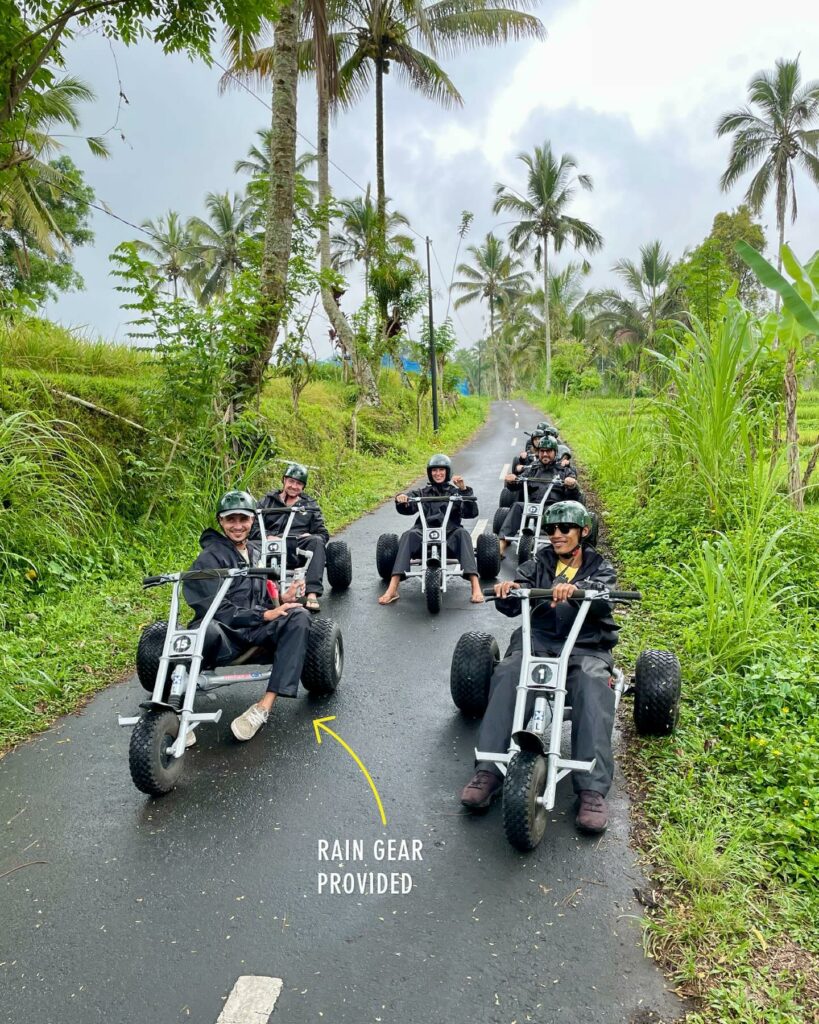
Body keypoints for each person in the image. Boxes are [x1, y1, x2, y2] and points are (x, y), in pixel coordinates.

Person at [460, 500, 619, 833]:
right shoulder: (538, 563)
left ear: (583, 532)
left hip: (584, 648)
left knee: (592, 687)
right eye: (551, 529)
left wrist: (580, 591)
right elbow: (512, 602)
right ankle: (489, 769)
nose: (556, 535)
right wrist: (508, 591)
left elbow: (606, 596)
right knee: (506, 674)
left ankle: (592, 790)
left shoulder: (600, 567)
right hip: (538, 643)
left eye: (564, 529)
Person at [184, 490, 311, 742]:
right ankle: (179, 713)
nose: (238, 526)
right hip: (227, 635)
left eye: (244, 519)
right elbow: (215, 608)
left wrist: (284, 599)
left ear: (253, 520)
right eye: (231, 520)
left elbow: (263, 594)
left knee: (299, 616)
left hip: (259, 631)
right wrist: (264, 614)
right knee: (196, 633)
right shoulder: (209, 558)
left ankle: (263, 708)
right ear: (221, 521)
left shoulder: (255, 550)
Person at [378, 454, 484, 605]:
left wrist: (464, 490)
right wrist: (402, 498)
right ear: (430, 473)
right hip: (423, 534)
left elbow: (471, 512)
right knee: (408, 535)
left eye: (441, 470)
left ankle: (475, 586)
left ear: (448, 472)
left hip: (449, 535)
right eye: (434, 470)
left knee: (463, 534)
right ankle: (393, 588)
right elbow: (407, 505)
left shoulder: (455, 493)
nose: (438, 473)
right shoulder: (422, 493)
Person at [257, 463, 329, 613]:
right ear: (284, 480)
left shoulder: (309, 505)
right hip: (268, 544)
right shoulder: (267, 501)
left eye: (299, 484)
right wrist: (267, 536)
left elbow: (323, 533)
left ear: (303, 487)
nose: (294, 486)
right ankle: (252, 594)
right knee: (246, 546)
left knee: (316, 541)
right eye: (291, 481)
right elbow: (252, 526)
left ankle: (312, 594)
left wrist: (309, 535)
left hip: (295, 546)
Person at [498, 438, 582, 557]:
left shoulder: (564, 470)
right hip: (531, 505)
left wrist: (572, 484)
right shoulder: (533, 468)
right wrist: (512, 481)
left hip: (553, 508)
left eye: (548, 451)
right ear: (538, 452)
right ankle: (501, 546)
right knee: (517, 506)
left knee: (559, 516)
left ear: (555, 452)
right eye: (542, 451)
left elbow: (575, 496)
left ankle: (561, 550)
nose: (545, 454)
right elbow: (518, 484)